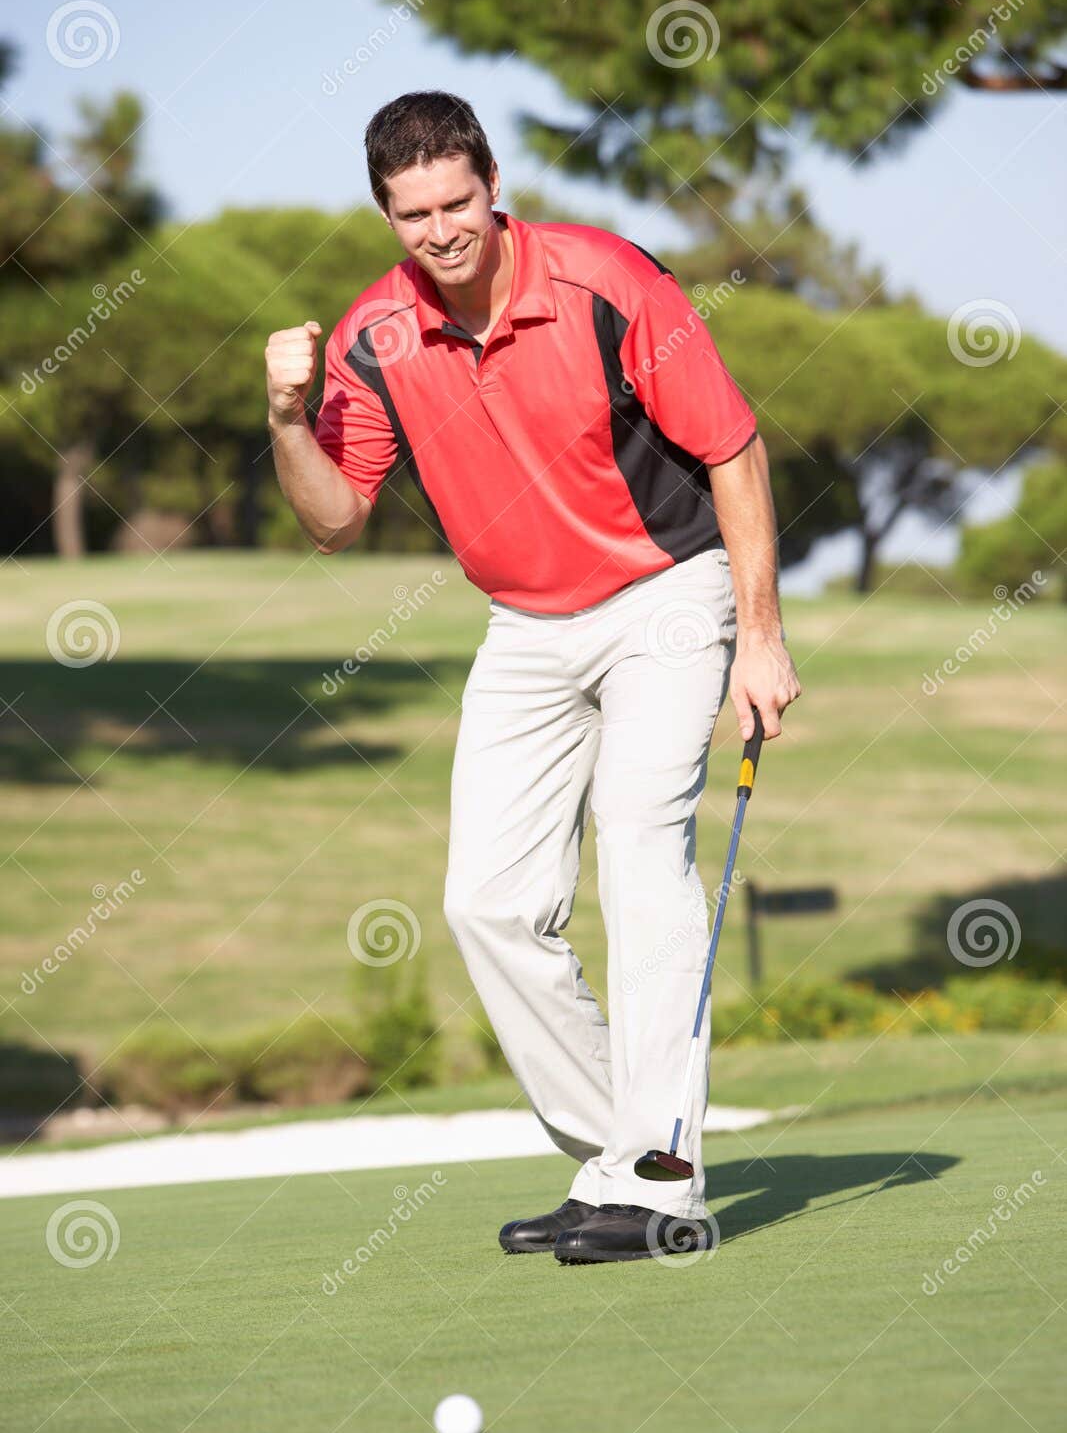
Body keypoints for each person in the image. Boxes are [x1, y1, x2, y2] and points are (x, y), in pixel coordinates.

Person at [265, 91, 801, 1264]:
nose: (441, 231)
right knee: (486, 903)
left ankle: (658, 1185)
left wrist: (756, 632)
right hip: (524, 622)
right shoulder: (374, 336)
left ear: (493, 181)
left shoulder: (606, 282)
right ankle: (614, 1150)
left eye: (457, 201)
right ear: (385, 212)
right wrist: (287, 417)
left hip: (665, 593)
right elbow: (332, 521)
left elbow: (731, 447)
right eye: (413, 214)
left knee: (642, 860)